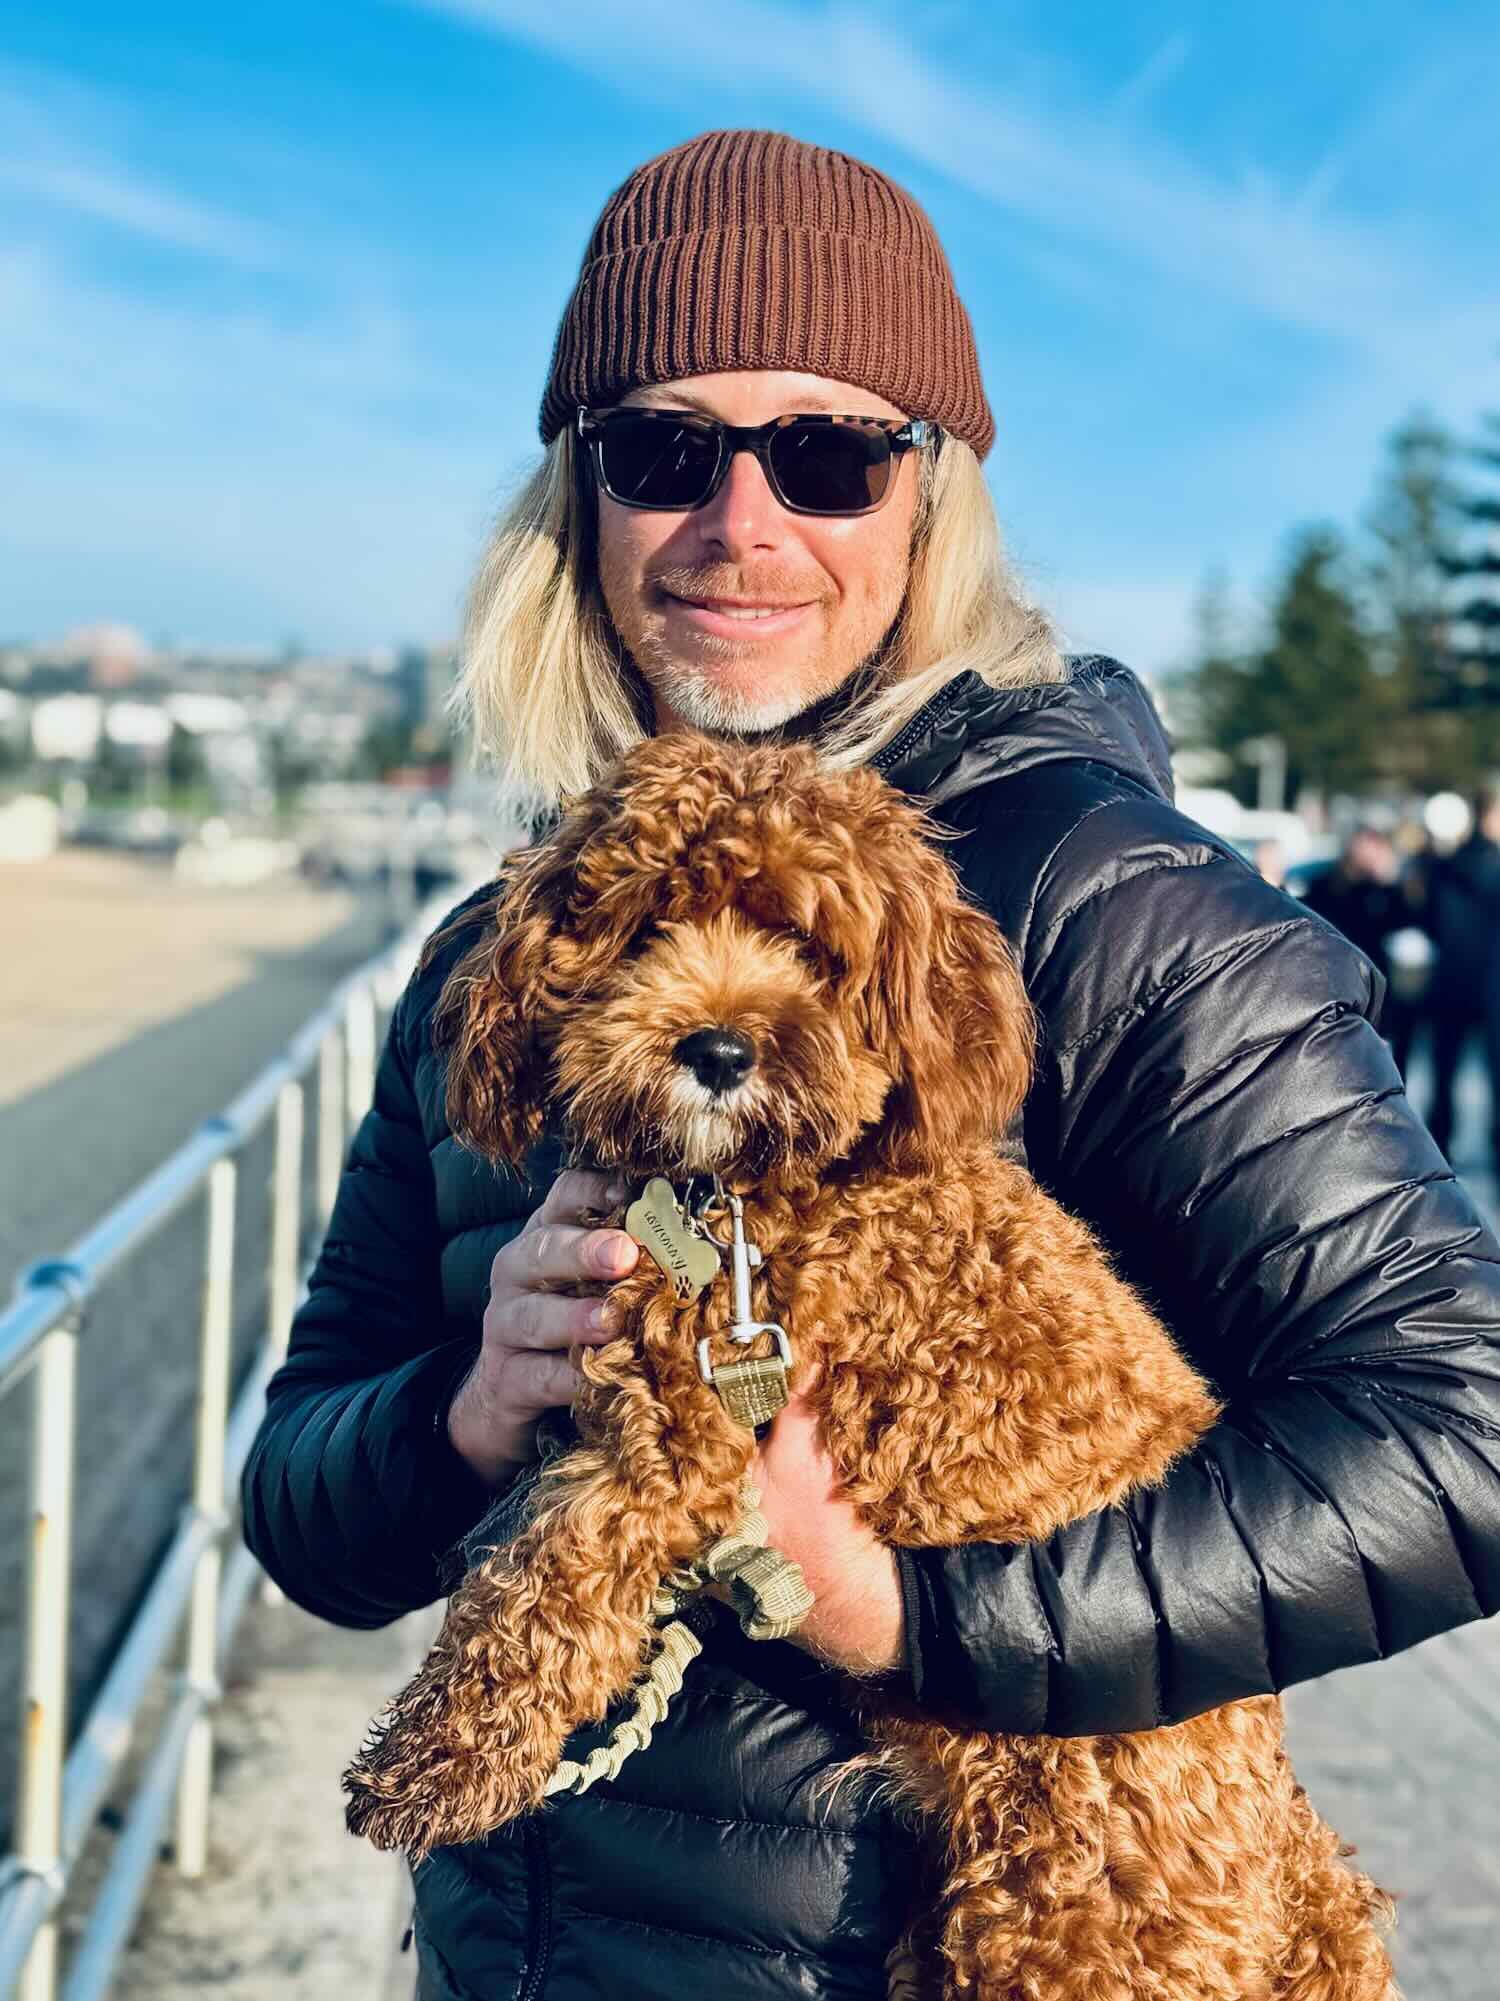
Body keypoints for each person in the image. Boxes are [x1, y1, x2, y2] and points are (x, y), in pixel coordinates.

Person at [240, 130, 1500, 2001]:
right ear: (575, 503)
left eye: (829, 454)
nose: (742, 523)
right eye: (664, 451)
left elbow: (1458, 1435)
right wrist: (463, 1412)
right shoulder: (501, 957)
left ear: (935, 499)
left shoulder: (1108, 901)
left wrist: (913, 1613)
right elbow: (301, 1501)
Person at [1409, 786, 1500, 1167]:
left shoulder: (1441, 865)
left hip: (1449, 984)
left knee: (1443, 1080)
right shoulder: (1490, 865)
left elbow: (1424, 919)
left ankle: (1437, 1155)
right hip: (1490, 987)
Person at [1301, 824, 1420, 1076]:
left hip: (1378, 991)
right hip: (1335, 986)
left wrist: (1391, 884)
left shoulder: (1384, 891)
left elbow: (1408, 926)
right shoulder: (1326, 885)